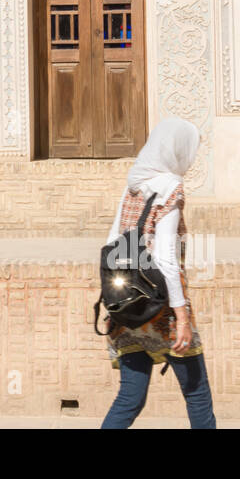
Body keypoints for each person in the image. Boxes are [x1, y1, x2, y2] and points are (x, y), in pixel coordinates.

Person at [100, 117, 217, 429]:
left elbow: (112, 244)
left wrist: (112, 303)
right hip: (162, 308)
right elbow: (165, 259)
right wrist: (181, 317)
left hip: (128, 308)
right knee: (197, 394)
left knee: (130, 398)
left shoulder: (134, 184)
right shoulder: (170, 187)